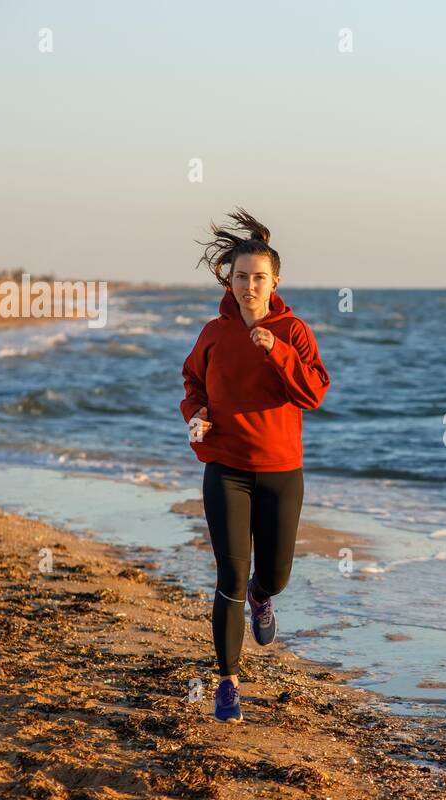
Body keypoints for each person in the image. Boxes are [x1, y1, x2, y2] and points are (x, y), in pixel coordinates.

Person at [179, 208, 331, 722]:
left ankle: (262, 598)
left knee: (275, 574)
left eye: (258, 278)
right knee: (229, 573)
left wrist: (278, 353)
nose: (249, 286)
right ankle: (227, 682)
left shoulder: (294, 331)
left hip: (282, 471)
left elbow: (314, 393)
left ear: (275, 282)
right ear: (231, 278)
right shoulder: (214, 334)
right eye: (241, 277)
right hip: (226, 468)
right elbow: (193, 386)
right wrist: (195, 415)